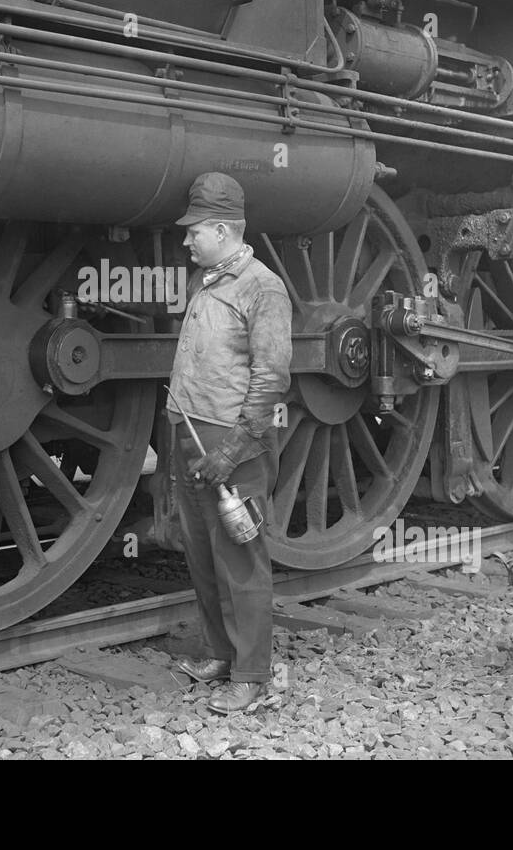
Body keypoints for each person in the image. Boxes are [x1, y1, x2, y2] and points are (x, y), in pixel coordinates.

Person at [167, 172, 292, 713]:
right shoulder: (213, 278)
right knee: (202, 553)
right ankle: (221, 654)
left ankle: (251, 674)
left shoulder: (261, 286)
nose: (187, 239)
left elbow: (272, 379)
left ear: (222, 229)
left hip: (227, 439)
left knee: (241, 557)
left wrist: (234, 447)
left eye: (194, 230)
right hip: (191, 432)